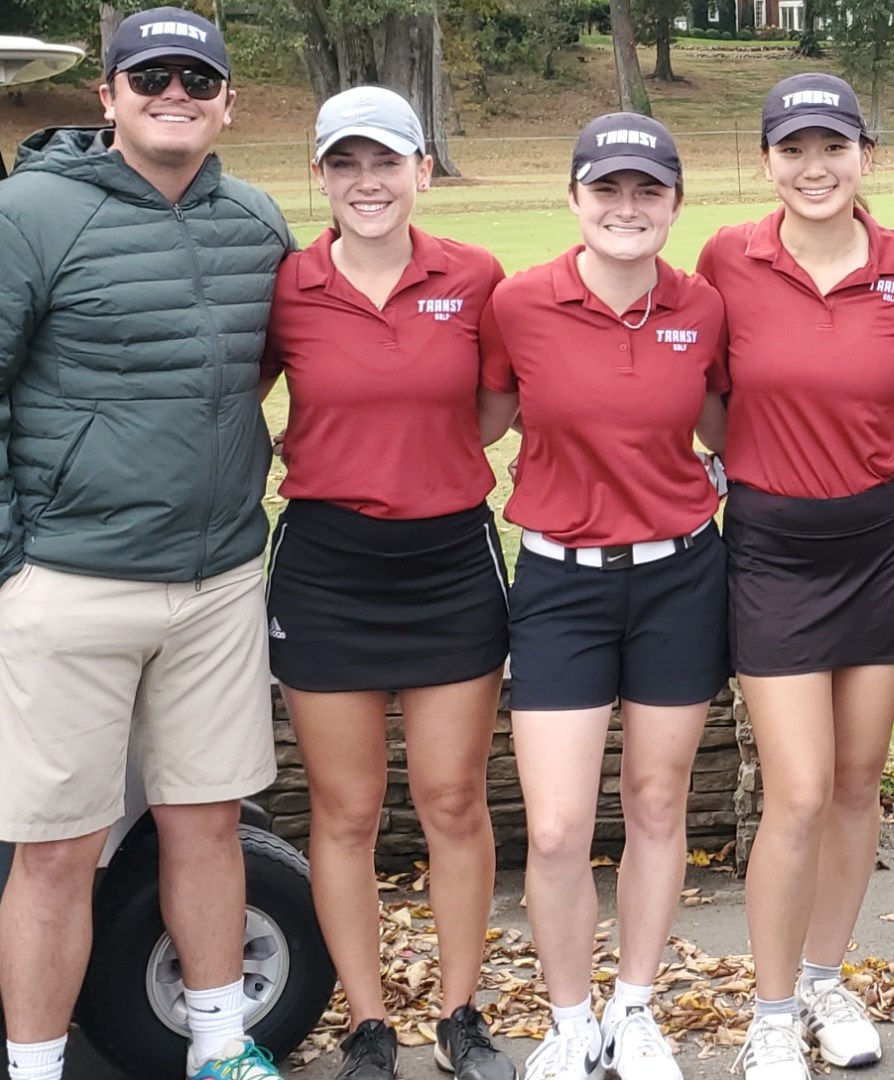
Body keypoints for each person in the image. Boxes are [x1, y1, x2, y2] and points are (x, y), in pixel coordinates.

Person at [0, 9, 293, 1080]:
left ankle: (220, 1042)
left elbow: (257, 369)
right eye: (151, 75)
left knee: (206, 825)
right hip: (68, 580)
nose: (176, 92)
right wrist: (12, 560)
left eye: (197, 76)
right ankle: (32, 1067)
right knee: (56, 849)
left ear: (226, 100)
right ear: (109, 95)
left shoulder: (256, 218)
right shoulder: (28, 212)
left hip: (215, 577)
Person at [257, 85, 515, 1080]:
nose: (367, 183)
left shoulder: (476, 275)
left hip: (449, 560)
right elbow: (242, 399)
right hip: (326, 565)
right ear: (320, 177)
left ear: (423, 169)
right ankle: (366, 1022)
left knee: (452, 797)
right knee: (347, 808)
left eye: (386, 162)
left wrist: (414, 455)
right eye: (345, 164)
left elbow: (494, 408)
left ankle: (460, 1013)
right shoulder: (286, 284)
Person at [695, 73, 894, 1080]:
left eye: (831, 148)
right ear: (766, 162)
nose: (813, 168)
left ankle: (824, 977)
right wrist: (762, 459)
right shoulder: (729, 257)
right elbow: (708, 396)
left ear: (863, 157)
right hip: (773, 546)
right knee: (795, 791)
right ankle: (767, 1010)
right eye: (792, 150)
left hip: (883, 537)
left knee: (851, 782)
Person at [478, 112, 731, 1080]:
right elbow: (484, 419)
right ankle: (569, 1015)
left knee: (658, 805)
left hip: (678, 575)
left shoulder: (701, 304)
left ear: (672, 201)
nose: (626, 208)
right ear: (574, 196)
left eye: (647, 190)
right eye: (606, 189)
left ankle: (635, 1007)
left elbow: (726, 421)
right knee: (554, 825)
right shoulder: (520, 303)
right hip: (559, 583)